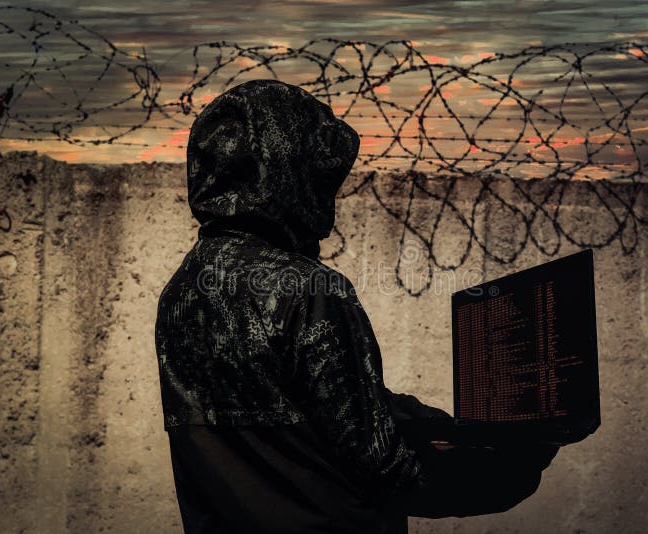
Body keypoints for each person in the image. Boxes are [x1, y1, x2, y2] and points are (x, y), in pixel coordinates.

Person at [154, 78, 559, 534]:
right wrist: (515, 468)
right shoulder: (308, 291)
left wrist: (448, 426)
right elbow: (385, 468)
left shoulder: (181, 292)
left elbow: (300, 410)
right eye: (320, 177)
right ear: (285, 172)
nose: (327, 197)